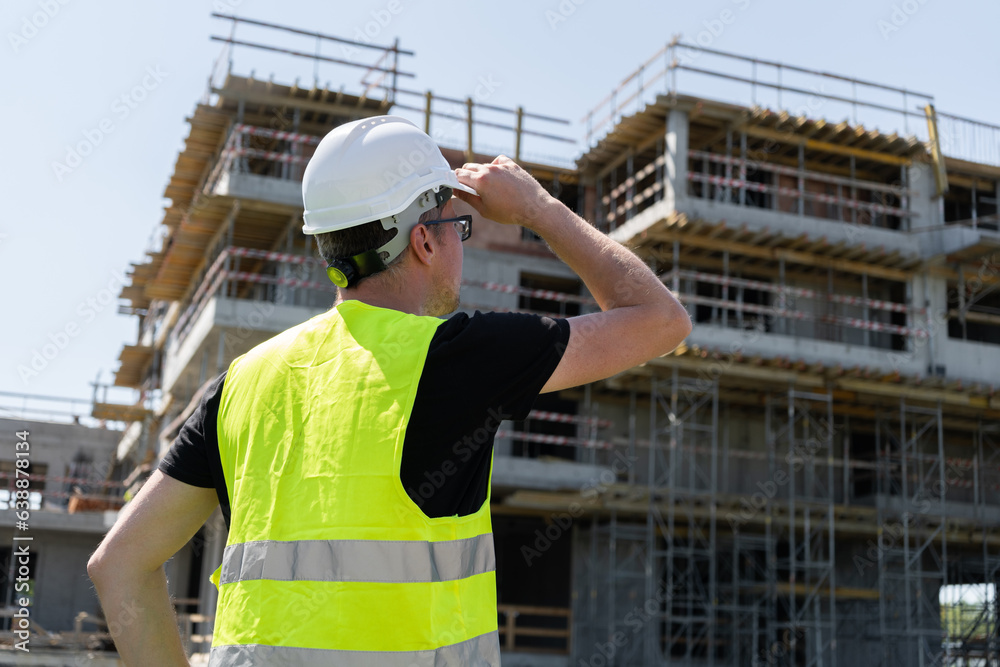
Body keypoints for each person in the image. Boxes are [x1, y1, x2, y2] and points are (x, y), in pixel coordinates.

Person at [87, 115, 691, 666]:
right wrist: (540, 209)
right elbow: (661, 320)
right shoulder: (453, 357)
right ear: (425, 241)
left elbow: (119, 565)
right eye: (458, 228)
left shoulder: (241, 382)